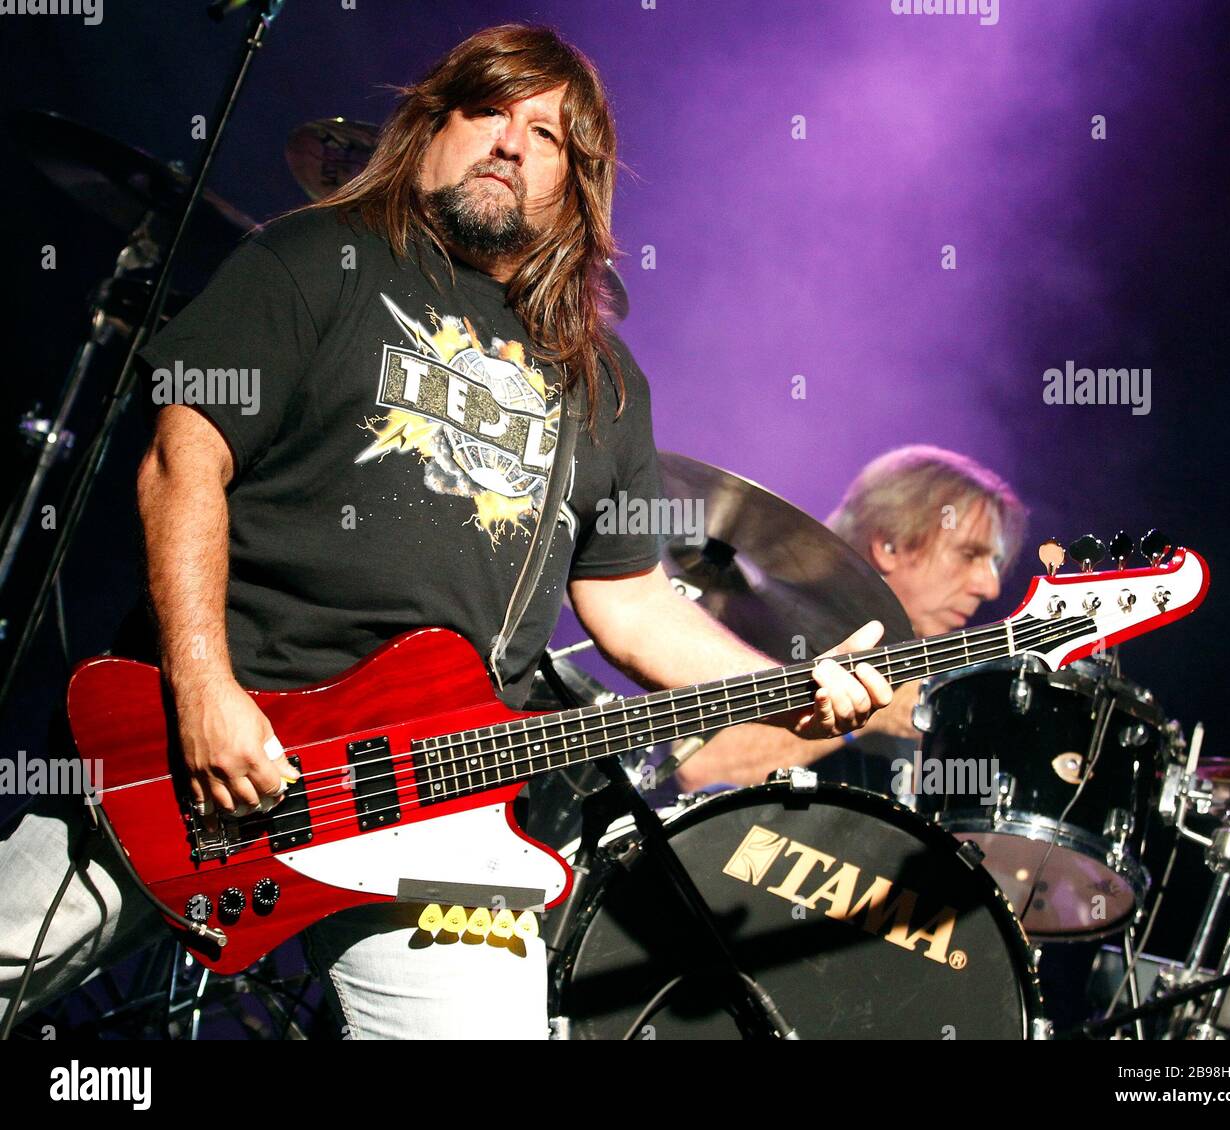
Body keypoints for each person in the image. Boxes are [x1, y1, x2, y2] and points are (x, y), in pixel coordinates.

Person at [0, 24, 893, 1040]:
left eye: (548, 134)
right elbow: (180, 461)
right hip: (211, 742)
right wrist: (203, 691)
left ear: (574, 185)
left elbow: (635, 607)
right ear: (427, 129)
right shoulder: (313, 257)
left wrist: (790, 686)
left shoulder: (603, 384)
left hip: (437, 798)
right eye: (488, 111)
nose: (514, 143)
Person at [675, 444, 1027, 794]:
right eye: (970, 555)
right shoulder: (760, 617)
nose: (990, 587)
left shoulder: (925, 678)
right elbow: (696, 768)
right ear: (889, 545)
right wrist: (872, 716)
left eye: (996, 564)